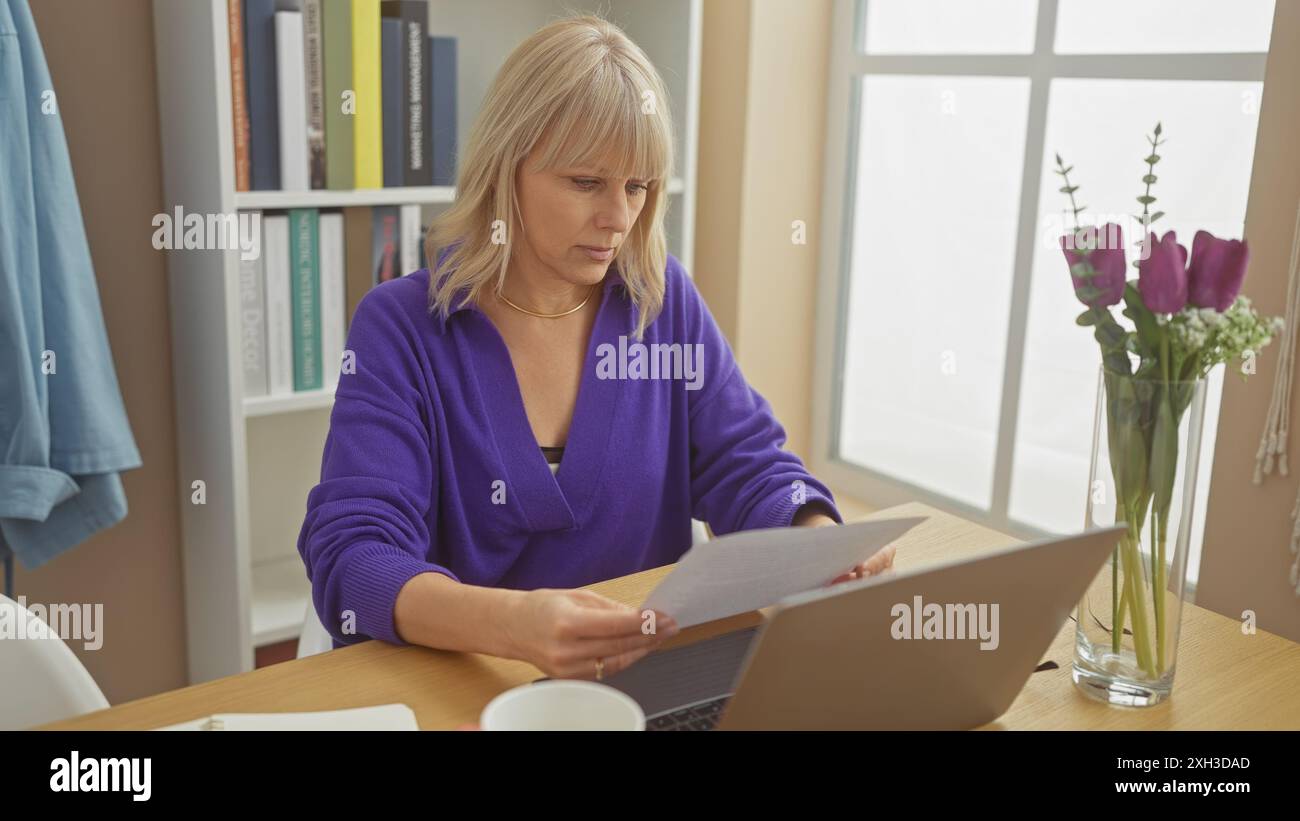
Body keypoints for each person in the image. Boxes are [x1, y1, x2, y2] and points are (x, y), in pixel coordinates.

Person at [297, 13, 895, 682]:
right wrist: (513, 624)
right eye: (587, 182)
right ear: (506, 166)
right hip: (472, 690)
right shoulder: (402, 327)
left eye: (638, 186)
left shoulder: (660, 302)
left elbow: (749, 465)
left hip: (649, 684)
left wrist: (817, 534)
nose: (619, 218)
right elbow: (355, 557)